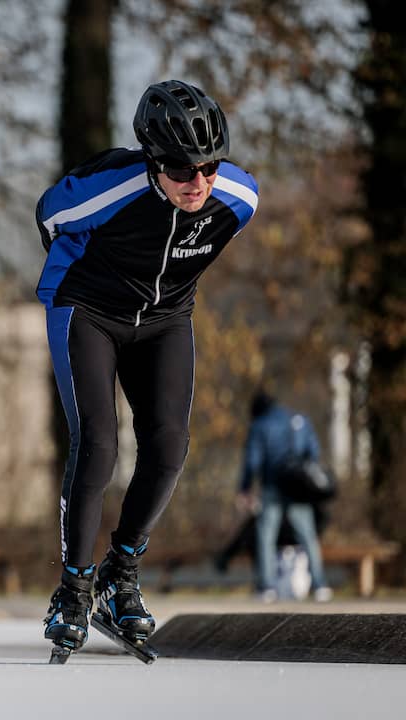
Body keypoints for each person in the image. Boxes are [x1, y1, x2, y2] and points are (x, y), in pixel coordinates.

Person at [36, 80, 259, 663]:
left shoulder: (239, 198)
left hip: (165, 318)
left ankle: (120, 573)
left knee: (169, 444)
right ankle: (74, 588)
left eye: (209, 167)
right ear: (153, 161)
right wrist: (94, 272)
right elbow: (49, 217)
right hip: (87, 308)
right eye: (182, 169)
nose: (198, 182)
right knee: (99, 443)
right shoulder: (112, 187)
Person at [238, 392, 333, 603]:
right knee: (307, 536)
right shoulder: (299, 419)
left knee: (266, 536)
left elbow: (252, 460)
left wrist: (245, 488)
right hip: (298, 486)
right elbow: (313, 452)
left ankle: (267, 587)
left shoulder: (260, 425)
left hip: (273, 485)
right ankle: (320, 586)